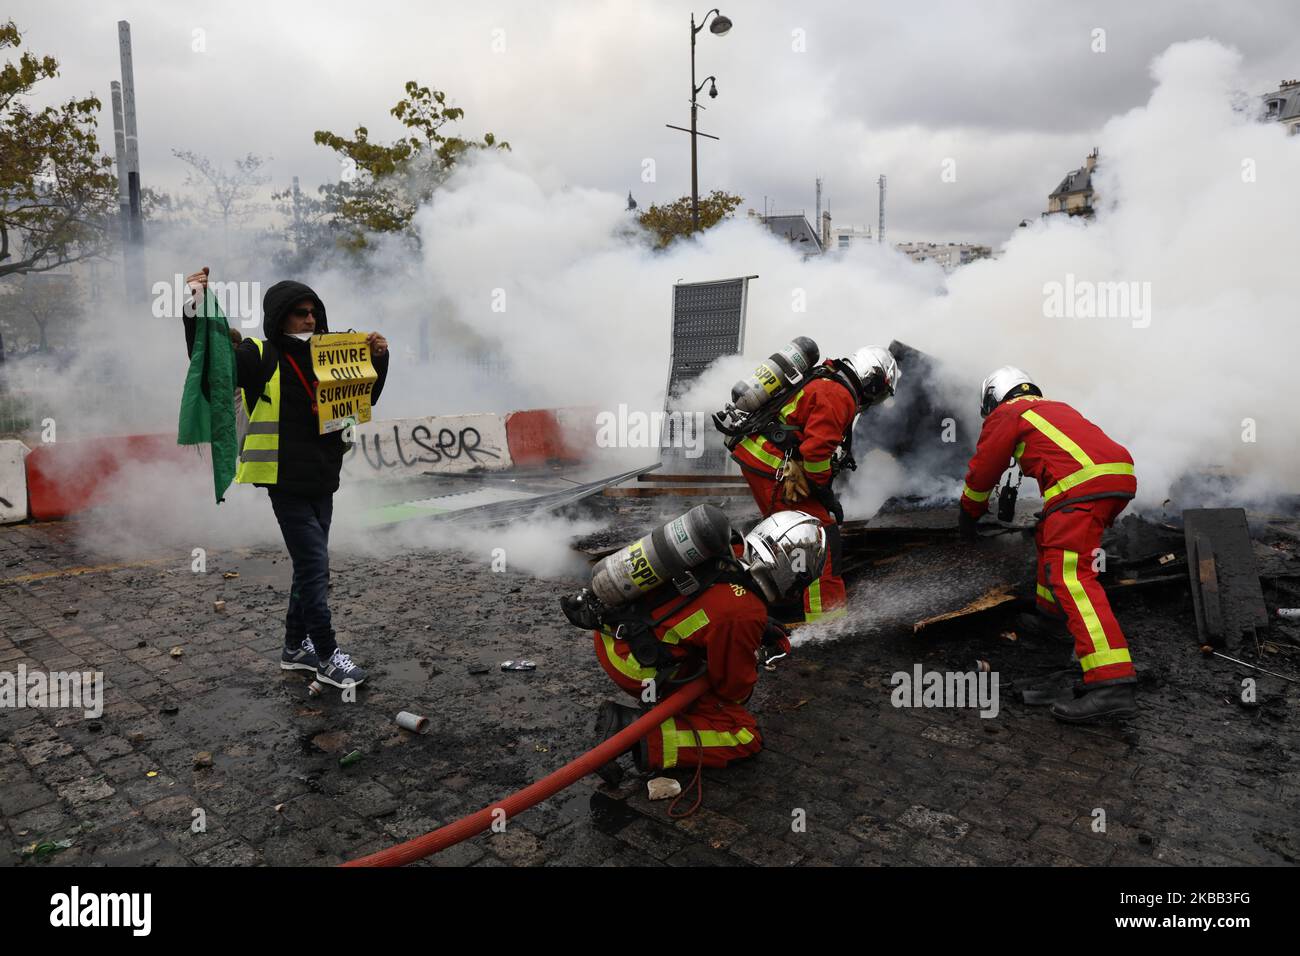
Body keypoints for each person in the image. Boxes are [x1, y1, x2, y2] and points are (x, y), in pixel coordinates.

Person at [182, 267, 389, 688]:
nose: (309, 320)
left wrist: (379, 359)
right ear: (280, 317)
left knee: (307, 568)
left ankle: (295, 647)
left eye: (313, 312)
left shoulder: (332, 354)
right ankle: (327, 656)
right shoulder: (259, 355)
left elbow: (361, 400)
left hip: (323, 478)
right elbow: (214, 371)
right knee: (315, 565)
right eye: (298, 313)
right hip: (284, 481)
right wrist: (197, 305)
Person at [561, 511, 826, 782]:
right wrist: (752, 651)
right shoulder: (745, 612)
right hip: (633, 665)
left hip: (613, 634)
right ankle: (633, 734)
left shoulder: (728, 549)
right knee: (743, 734)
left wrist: (756, 626)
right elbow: (732, 690)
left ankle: (637, 726)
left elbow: (708, 601)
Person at [959, 365, 1138, 723]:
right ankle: (1051, 620)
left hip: (1083, 489)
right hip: (1113, 477)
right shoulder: (1052, 408)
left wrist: (968, 512)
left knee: (1072, 576)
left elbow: (983, 471)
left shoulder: (1008, 413)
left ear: (994, 398)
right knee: (1051, 544)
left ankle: (1111, 684)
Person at [731, 346, 900, 622]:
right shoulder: (839, 394)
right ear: (872, 381)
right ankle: (826, 620)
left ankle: (767, 597)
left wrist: (821, 489)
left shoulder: (829, 380)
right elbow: (817, 453)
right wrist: (823, 492)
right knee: (817, 535)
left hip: (763, 458)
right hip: (773, 464)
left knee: (787, 532)